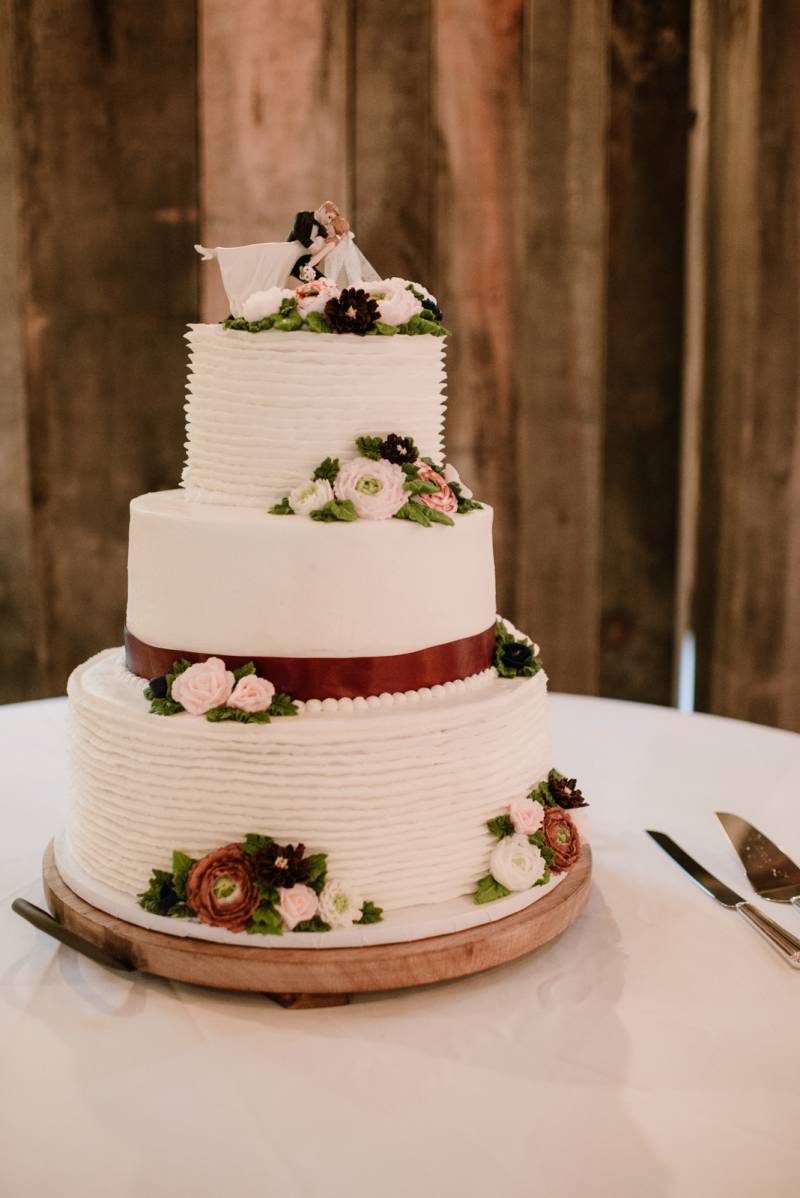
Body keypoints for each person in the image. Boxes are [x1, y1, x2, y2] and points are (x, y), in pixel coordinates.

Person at [195, 202, 378, 316]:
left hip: (300, 263)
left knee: (314, 284)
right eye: (328, 216)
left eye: (331, 220)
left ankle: (337, 311)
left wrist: (310, 265)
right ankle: (219, 253)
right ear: (322, 209)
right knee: (260, 256)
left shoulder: (326, 233)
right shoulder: (302, 216)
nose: (328, 222)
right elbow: (300, 234)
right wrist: (311, 248)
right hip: (287, 253)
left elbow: (321, 254)